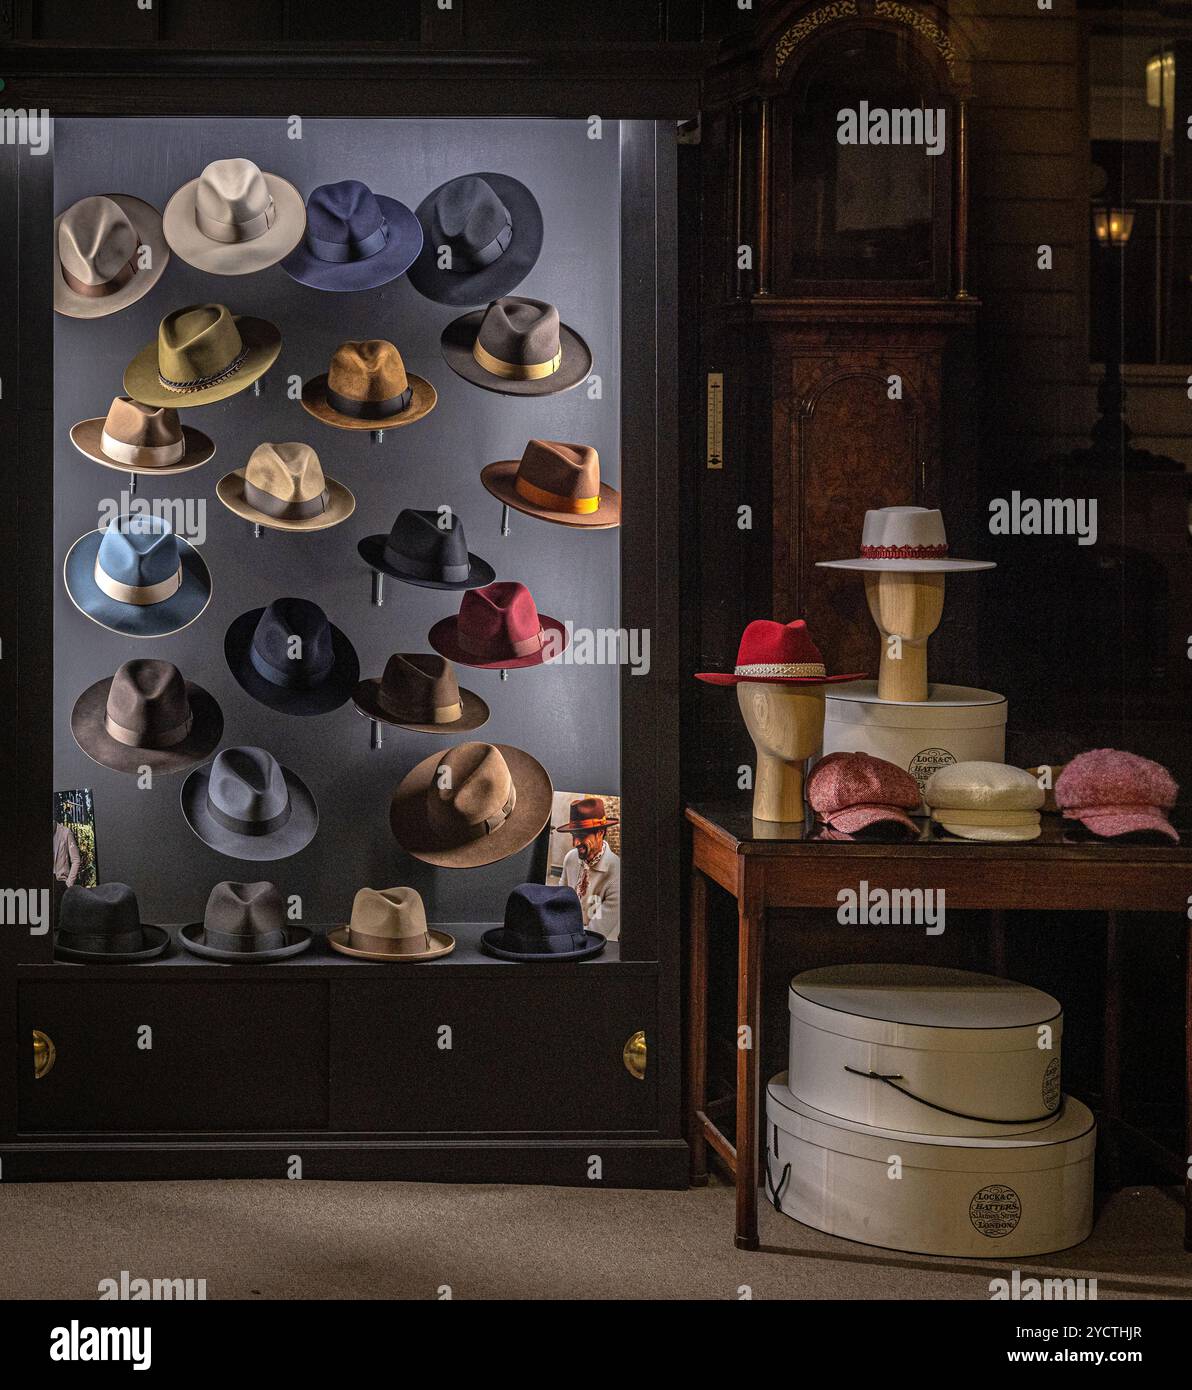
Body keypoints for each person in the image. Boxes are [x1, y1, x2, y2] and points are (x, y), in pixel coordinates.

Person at [554, 797, 620, 942]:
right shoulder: (570, 858)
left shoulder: (617, 874)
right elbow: (560, 902)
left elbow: (597, 933)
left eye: (582, 835)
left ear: (601, 832)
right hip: (568, 938)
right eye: (573, 835)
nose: (575, 843)